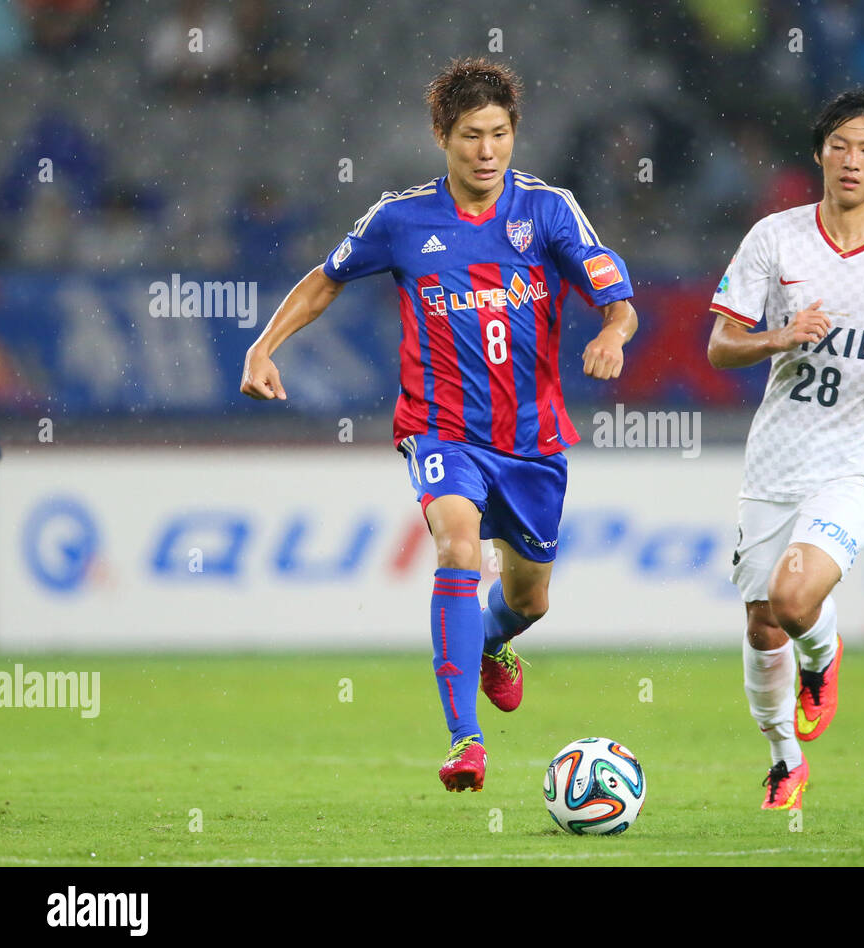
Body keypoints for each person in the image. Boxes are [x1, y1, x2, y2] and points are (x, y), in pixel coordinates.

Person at [241, 58, 637, 793]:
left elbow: (618, 297)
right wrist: (264, 345)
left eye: (498, 135)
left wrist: (613, 332)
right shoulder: (401, 218)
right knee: (457, 542)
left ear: (515, 133)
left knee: (528, 600)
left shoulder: (548, 210)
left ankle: (492, 642)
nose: (486, 151)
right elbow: (326, 278)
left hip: (532, 440)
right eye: (469, 137)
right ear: (441, 137)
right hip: (440, 429)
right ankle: (466, 742)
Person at [707, 89, 864, 810]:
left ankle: (824, 658)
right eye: (840, 146)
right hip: (775, 460)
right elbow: (721, 345)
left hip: (855, 462)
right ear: (820, 153)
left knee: (793, 599)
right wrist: (776, 337)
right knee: (761, 619)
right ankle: (785, 760)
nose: (852, 160)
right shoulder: (774, 239)